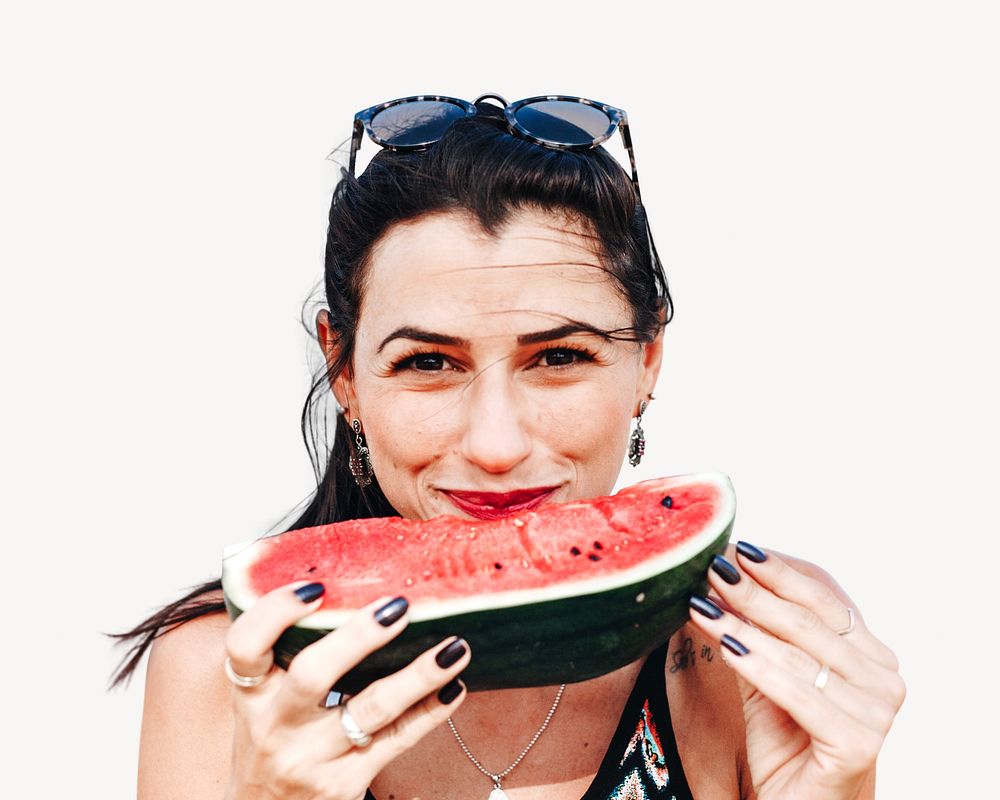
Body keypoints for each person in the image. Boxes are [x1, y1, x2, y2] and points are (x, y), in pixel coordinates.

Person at [112, 94, 904, 800]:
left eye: (559, 358)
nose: (495, 445)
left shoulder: (748, 651)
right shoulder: (224, 673)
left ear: (647, 362)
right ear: (344, 370)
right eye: (427, 363)